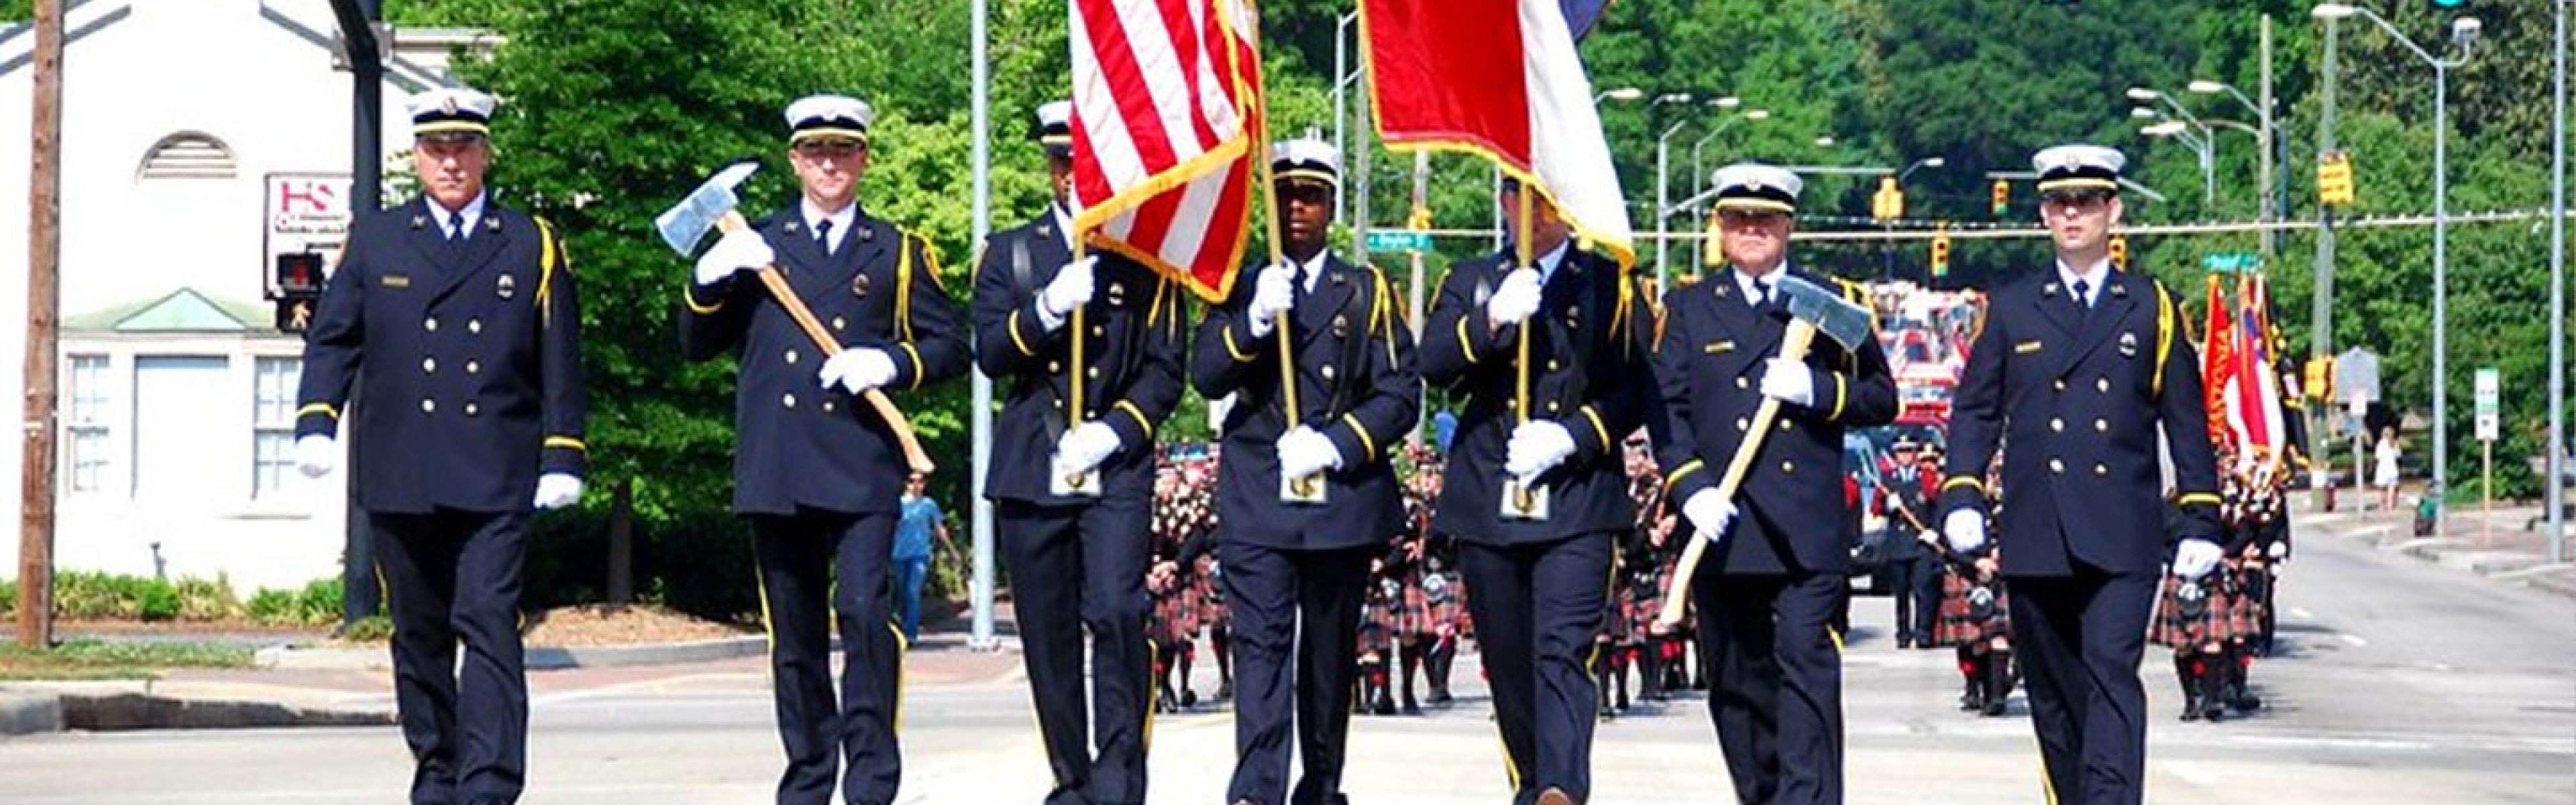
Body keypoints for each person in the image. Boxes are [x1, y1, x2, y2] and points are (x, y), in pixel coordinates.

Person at [294, 85, 586, 805]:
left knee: (488, 622)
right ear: (418, 157)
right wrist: (316, 418)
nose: (450, 162)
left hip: (496, 470)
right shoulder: (377, 238)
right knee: (418, 632)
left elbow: (560, 356)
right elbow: (335, 338)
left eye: (463, 147)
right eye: (436, 148)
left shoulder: (530, 241)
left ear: (485, 154)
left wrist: (563, 452)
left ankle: (489, 784)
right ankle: (439, 766)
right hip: (402, 467)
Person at [682, 93, 970, 805]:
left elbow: (952, 345)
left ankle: (870, 782)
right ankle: (808, 781)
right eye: (816, 152)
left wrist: (891, 363)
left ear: (863, 159)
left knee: (869, 620)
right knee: (796, 641)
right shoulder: (758, 244)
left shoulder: (898, 251)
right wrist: (708, 280)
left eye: (843, 151)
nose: (829, 164)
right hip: (778, 467)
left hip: (861, 467)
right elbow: (694, 347)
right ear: (794, 161)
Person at [1939, 145, 2224, 805]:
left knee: (2111, 678)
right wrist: (1962, 493)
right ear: (2043, 214)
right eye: (2060, 203)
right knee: (2053, 694)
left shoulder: (2149, 306)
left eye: (2088, 202)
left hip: (2121, 533)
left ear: (2112, 210)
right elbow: (1976, 410)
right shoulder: (2011, 308)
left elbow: (2186, 419)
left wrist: (2201, 517)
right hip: (2038, 532)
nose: (2073, 214)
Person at [1644, 164, 1896, 805]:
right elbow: (1666, 409)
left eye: (1765, 219)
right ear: (1721, 228)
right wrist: (1690, 487)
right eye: (1737, 219)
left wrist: (1817, 389)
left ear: (1789, 225)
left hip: (1805, 534)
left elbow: (1880, 397)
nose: (1751, 230)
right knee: (1737, 682)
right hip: (1723, 527)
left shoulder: (1833, 300)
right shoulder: (1690, 308)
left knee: (1806, 672)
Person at [1191, 137, 1421, 805]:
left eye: (1311, 196)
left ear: (1331, 207)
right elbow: (1206, 373)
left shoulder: (1365, 289)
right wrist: (1255, 321)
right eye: (1286, 195)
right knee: (1260, 652)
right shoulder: (1240, 282)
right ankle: (1256, 791)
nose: (1297, 208)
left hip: (1337, 500)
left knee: (1327, 659)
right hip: (1260, 497)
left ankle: (1321, 786)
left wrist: (1337, 444)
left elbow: (1400, 396)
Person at [971, 100, 1188, 805]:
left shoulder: (1146, 260)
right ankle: (1074, 779)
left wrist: (1116, 431)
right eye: (1061, 161)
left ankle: (1121, 776)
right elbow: (991, 353)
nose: (1072, 175)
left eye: (1085, 162)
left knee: (1121, 614)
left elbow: (1164, 370)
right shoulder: (1012, 253)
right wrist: (1045, 311)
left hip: (1114, 465)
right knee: (1048, 634)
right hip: (1033, 466)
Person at [1419, 176, 1651, 805]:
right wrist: (1491, 318)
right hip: (1491, 497)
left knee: (1562, 651)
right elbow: (1434, 363)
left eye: (1549, 196)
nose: (1536, 209)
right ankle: (1530, 783)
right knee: (1510, 661)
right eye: (1522, 195)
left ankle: (1561, 789)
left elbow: (1636, 390)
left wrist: (1574, 434)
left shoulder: (1611, 284)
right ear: (1503, 202)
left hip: (1577, 497)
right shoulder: (1470, 280)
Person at [1880, 437, 1942, 648]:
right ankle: (1903, 632)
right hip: (1899, 544)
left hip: (1921, 542)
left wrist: (1934, 530)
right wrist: (1888, 506)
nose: (1905, 456)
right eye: (1901, 452)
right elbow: (1876, 509)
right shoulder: (1888, 480)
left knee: (1923, 589)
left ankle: (1923, 632)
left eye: (1909, 452)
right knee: (1901, 592)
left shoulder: (1926, 477)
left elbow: (1938, 505)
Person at [893, 476, 947, 643]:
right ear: (906, 483)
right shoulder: (899, 504)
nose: (916, 485)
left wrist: (951, 550)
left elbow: (939, 527)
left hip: (920, 554)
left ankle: (911, 633)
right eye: (911, 481)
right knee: (902, 592)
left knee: (913, 592)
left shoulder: (928, 504)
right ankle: (901, 627)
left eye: (920, 481)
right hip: (899, 553)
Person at [2375, 427, 2401, 511]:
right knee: (2383, 488)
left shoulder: (2394, 444)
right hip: (2384, 470)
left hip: (2391, 470)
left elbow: (2398, 455)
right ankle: (2384, 505)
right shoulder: (2381, 444)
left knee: (2390, 488)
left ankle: (2389, 505)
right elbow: (2378, 456)